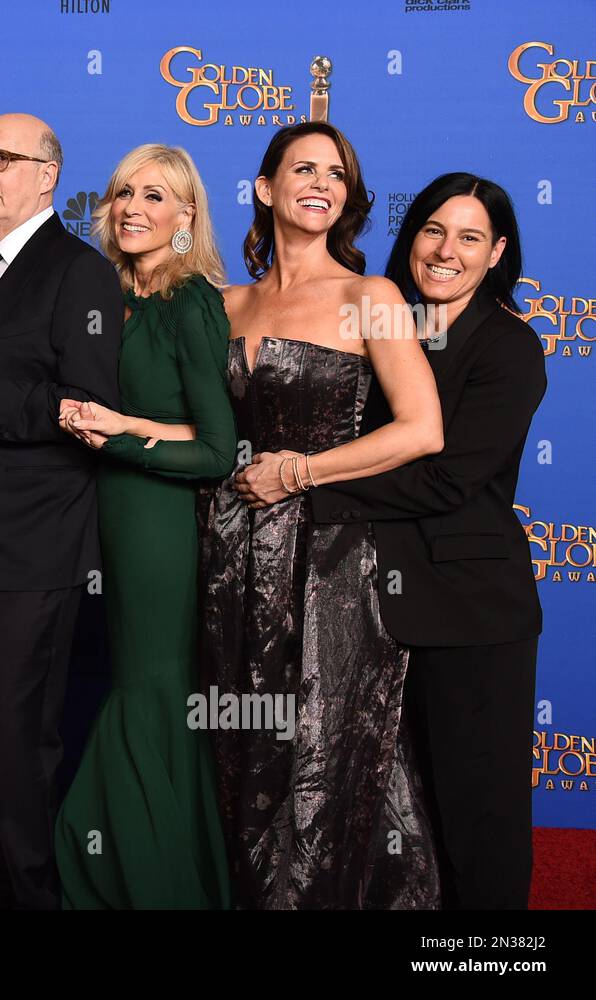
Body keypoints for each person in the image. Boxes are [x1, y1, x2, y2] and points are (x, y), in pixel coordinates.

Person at [199, 122, 444, 908]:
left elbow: (421, 429)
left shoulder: (372, 298)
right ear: (265, 187)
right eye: (304, 169)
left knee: (325, 741)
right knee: (240, 737)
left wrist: (298, 471)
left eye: (337, 175)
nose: (322, 185)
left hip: (330, 554)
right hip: (229, 553)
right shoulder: (222, 303)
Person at [306, 174, 545, 909]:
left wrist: (309, 485)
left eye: (470, 237)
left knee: (477, 813)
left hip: (468, 612)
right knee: (396, 815)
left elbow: (446, 480)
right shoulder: (389, 325)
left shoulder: (509, 346)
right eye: (433, 231)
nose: (445, 251)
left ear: (496, 252)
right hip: (368, 607)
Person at [0, 113, 123, 910]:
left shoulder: (80, 273)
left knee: (17, 738)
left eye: (5, 158)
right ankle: (5, 878)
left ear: (49, 176)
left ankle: (36, 892)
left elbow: (90, 407)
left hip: (33, 546)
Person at [52, 144, 236, 909]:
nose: (132, 208)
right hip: (92, 514)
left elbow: (218, 448)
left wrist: (118, 437)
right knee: (126, 687)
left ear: (187, 215)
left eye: (155, 196)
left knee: (148, 691)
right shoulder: (100, 292)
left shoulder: (191, 303)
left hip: (154, 522)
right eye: (124, 192)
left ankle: (149, 882)